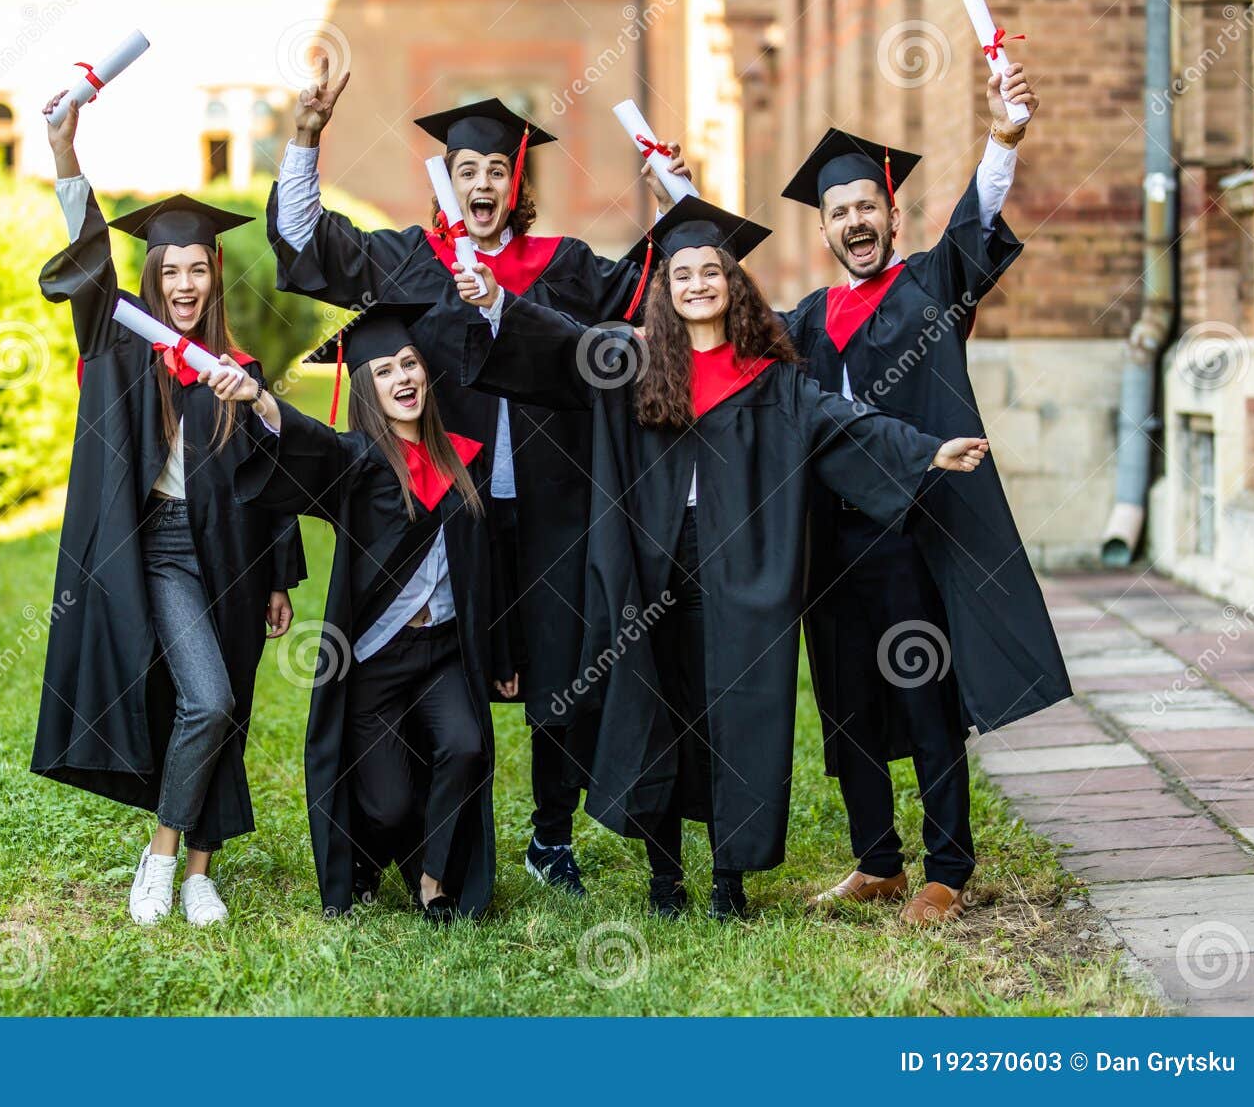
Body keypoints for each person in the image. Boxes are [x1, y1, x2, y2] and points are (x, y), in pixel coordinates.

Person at [453, 196, 991, 919]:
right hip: (651, 563)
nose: (698, 283)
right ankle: (664, 878)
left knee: (733, 715)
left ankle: (728, 881)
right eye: (683, 274)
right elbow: (559, 342)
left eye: (712, 271)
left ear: (733, 285)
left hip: (737, 569)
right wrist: (496, 301)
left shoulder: (769, 379)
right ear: (666, 290)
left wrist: (926, 451)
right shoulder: (635, 361)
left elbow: (842, 422)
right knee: (658, 708)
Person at [267, 66, 693, 898]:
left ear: (516, 180)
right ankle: (434, 829)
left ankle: (551, 832)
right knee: (450, 665)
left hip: (552, 508)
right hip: (445, 514)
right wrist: (307, 135)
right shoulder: (412, 264)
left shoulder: (561, 265)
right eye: (468, 171)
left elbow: (659, 286)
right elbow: (311, 244)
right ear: (449, 182)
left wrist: (675, 194)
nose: (483, 184)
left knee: (560, 668)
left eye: (498, 170)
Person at [775, 64, 1070, 925]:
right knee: (846, 700)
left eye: (868, 205)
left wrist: (1004, 136)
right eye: (841, 212)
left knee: (924, 694)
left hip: (911, 539)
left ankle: (946, 865)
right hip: (830, 541)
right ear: (825, 227)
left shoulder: (930, 288)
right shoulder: (803, 320)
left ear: (892, 213)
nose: (856, 221)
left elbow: (975, 225)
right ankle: (878, 861)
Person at [29, 91, 305, 928]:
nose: (184, 282)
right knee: (206, 699)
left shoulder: (238, 365)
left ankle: (197, 872)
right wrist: (63, 151)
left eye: (198, 268)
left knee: (225, 701)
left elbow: (269, 470)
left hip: (226, 551)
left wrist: (281, 572)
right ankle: (158, 859)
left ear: (216, 273)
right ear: (153, 275)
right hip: (146, 546)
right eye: (170, 269)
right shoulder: (120, 343)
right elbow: (85, 254)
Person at [224, 301, 508, 922]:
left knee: (464, 747)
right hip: (376, 662)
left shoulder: (464, 459)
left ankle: (433, 883)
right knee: (386, 807)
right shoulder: (357, 463)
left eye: (409, 364)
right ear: (363, 389)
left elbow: (491, 569)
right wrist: (262, 402)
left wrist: (502, 653)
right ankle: (370, 858)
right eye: (383, 371)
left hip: (442, 653)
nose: (402, 378)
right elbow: (307, 444)